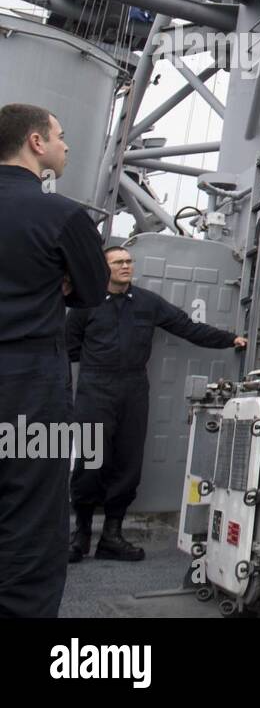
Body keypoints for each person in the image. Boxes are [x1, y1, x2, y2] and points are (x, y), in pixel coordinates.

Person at [66, 247, 246, 563]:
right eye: (118, 262)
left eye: (128, 261)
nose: (126, 266)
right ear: (103, 268)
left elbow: (187, 327)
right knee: (90, 462)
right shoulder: (85, 304)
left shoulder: (147, 303)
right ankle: (79, 535)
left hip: (134, 388)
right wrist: (101, 364)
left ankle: (111, 536)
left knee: (128, 462)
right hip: (95, 388)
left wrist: (229, 339)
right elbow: (69, 347)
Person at [0, 104, 108, 617]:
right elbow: (91, 292)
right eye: (61, 137)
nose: (67, 146)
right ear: (36, 143)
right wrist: (56, 280)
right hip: (26, 388)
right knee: (29, 524)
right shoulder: (63, 215)